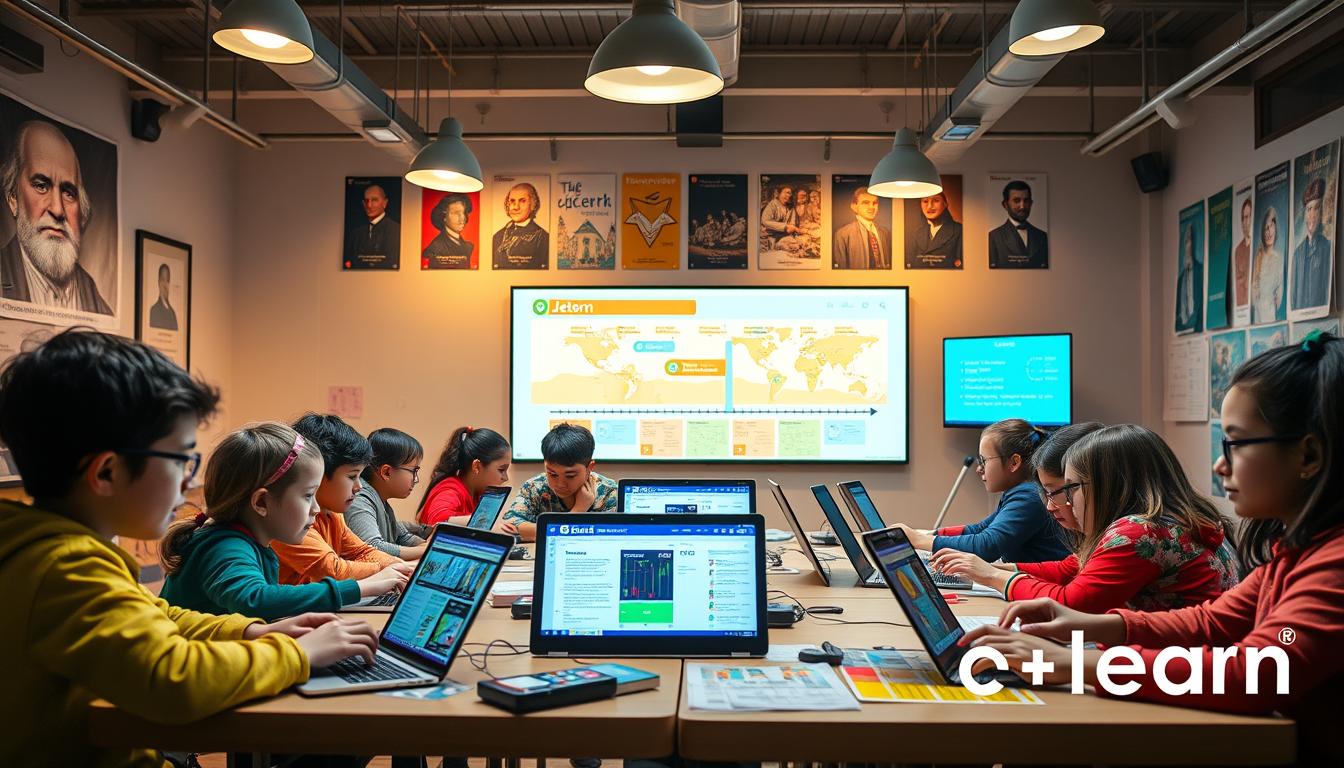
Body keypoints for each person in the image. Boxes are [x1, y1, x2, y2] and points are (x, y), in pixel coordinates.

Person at [0, 328, 377, 767]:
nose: (188, 480)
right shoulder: (67, 569)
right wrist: (297, 654)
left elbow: (157, 614)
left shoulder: (49, 548)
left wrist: (251, 632)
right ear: (106, 474)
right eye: (181, 459)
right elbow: (172, 680)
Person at [964, 331, 1344, 766]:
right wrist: (1094, 627)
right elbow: (1210, 621)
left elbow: (1256, 673)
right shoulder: (1295, 555)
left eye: (1235, 443)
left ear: (1309, 456)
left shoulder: (1334, 565)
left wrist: (1074, 665)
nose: (1220, 465)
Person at [933, 424, 1239, 612]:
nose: (1058, 504)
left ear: (1111, 485)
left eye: (1073, 488)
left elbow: (1072, 602)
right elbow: (1074, 566)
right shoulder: (1171, 521)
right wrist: (997, 569)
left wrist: (992, 576)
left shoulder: (1139, 532)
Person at [159, 422, 411, 621]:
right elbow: (255, 599)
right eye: (307, 496)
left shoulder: (253, 543)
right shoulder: (225, 545)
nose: (315, 509)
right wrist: (362, 587)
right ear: (261, 503)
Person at [895, 419, 1071, 563]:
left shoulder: (1029, 496)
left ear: (1014, 462)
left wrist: (920, 541)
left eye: (984, 460)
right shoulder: (1021, 491)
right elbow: (980, 529)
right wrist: (928, 534)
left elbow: (986, 546)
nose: (979, 469)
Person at [271, 413, 408, 584]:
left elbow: (362, 552)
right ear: (317, 474)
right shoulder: (290, 519)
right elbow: (332, 570)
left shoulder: (332, 514)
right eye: (352, 477)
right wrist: (388, 569)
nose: (359, 487)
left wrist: (400, 566)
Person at [0, 120, 113, 314]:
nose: (58, 210)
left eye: (69, 193)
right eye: (41, 186)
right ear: (13, 199)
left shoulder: (98, 304)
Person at [501, 423, 617, 542]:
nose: (560, 484)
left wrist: (537, 531)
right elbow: (508, 526)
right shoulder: (534, 487)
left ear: (589, 468)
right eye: (552, 474)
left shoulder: (609, 493)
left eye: (570, 476)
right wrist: (577, 512)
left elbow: (613, 537)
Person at [347, 427, 432, 559]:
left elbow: (402, 537)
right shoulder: (360, 498)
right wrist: (429, 551)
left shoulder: (382, 501)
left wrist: (431, 544)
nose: (416, 480)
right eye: (413, 471)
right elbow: (373, 547)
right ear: (386, 472)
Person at [418, 426, 512, 527]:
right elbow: (437, 521)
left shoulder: (477, 494)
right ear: (477, 466)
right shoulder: (450, 491)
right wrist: (488, 522)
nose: (506, 478)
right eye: (501, 470)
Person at [987, 179, 1048, 269]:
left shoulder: (1042, 236)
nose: (1022, 206)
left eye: (1026, 201)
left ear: (1031, 203)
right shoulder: (994, 237)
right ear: (1005, 205)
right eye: (1016, 200)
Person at [1291, 178, 1332, 312]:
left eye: (1317, 208)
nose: (1312, 215)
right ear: (1305, 214)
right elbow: (1294, 298)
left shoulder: (1327, 248)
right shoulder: (1297, 254)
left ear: (1321, 213)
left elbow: (1327, 291)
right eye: (1309, 209)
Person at [492, 182, 548, 269]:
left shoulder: (543, 237)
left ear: (533, 204)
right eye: (512, 201)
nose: (516, 207)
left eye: (522, 201)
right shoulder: (498, 236)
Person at [833, 186, 891, 270]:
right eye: (865, 202)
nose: (871, 207)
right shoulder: (843, 235)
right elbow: (840, 271)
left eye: (874, 203)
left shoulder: (885, 232)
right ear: (854, 206)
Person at [904, 189, 962, 268]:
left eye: (936, 200)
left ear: (945, 203)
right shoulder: (916, 233)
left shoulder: (959, 230)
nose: (930, 206)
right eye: (925, 201)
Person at [345, 183, 400, 265]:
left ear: (385, 203)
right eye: (366, 201)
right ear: (363, 203)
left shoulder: (396, 229)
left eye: (374, 200)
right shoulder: (356, 233)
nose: (369, 205)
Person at [1251, 206, 1285, 323]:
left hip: (1272, 312)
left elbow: (1280, 286)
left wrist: (1275, 304)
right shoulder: (1258, 256)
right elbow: (1254, 287)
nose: (1269, 232)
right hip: (1259, 312)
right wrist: (1257, 304)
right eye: (1266, 228)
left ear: (1275, 228)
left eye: (1271, 226)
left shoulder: (1279, 257)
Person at [422, 193, 474, 264]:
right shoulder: (435, 249)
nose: (462, 218)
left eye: (464, 213)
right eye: (456, 213)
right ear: (444, 217)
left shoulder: (468, 246)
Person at [1176, 225, 1199, 328]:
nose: (1188, 246)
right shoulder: (1181, 280)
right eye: (1186, 242)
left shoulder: (1200, 271)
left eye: (1190, 241)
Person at [1233, 196, 1253, 309]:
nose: (1247, 222)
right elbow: (1238, 283)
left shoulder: (1257, 246)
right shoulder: (1238, 250)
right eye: (1245, 217)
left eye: (1250, 217)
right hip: (1243, 304)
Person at [149, 263, 178, 331]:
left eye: (167, 280)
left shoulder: (173, 313)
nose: (165, 285)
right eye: (163, 280)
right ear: (158, 282)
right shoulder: (154, 310)